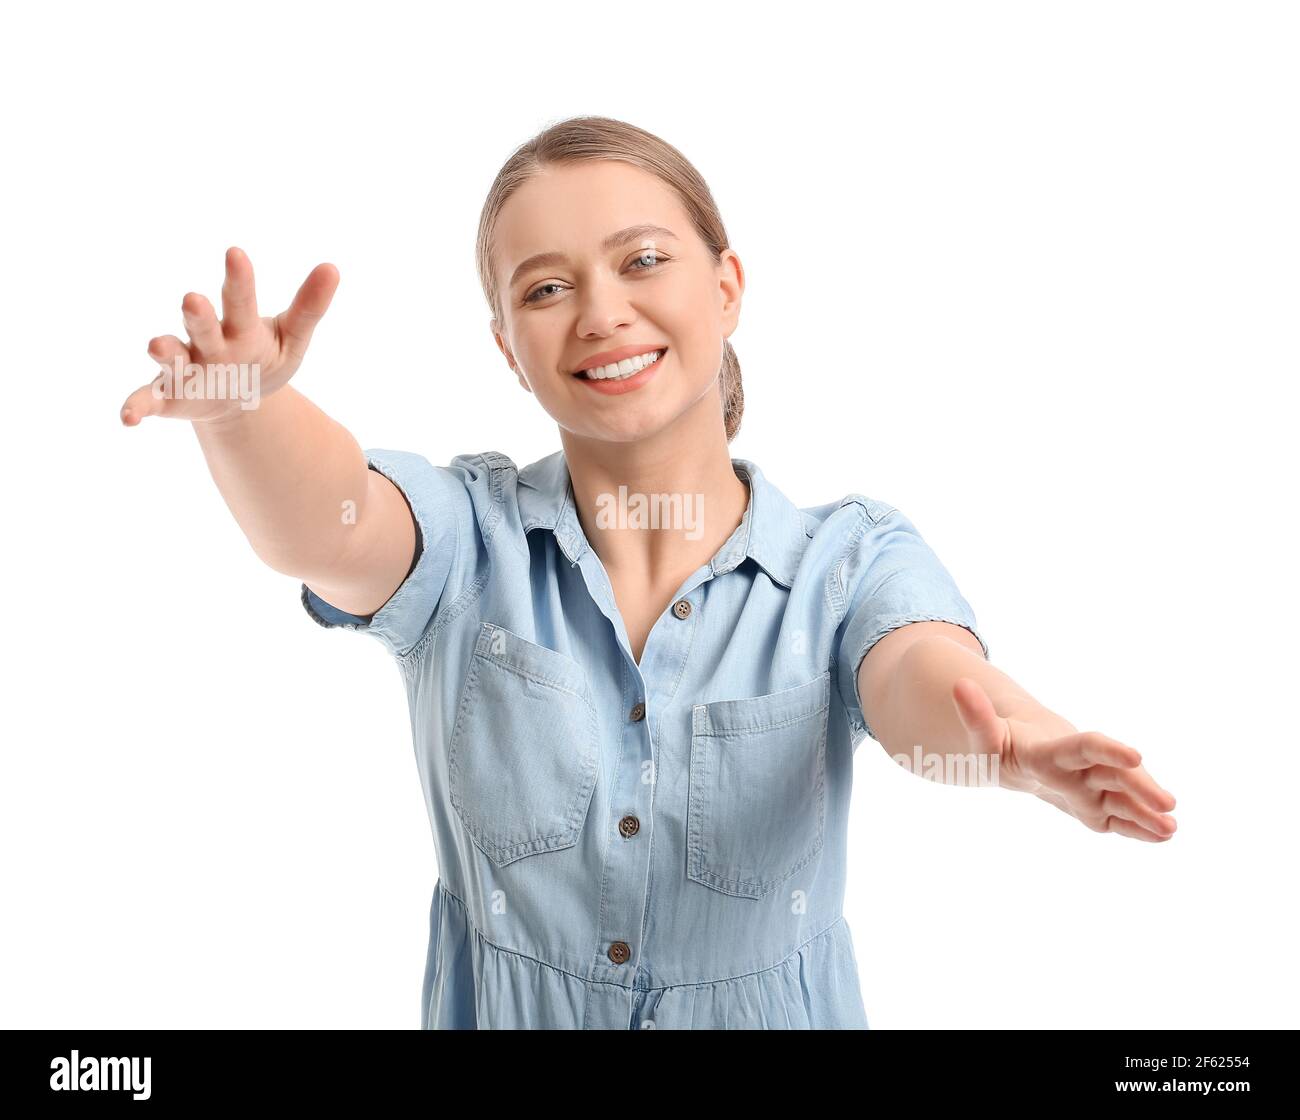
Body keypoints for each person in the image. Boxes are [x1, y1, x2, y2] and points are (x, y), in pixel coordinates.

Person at [120, 116, 1178, 1030]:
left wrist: (1015, 746)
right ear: (506, 347)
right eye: (545, 288)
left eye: (641, 261)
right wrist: (243, 411)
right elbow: (329, 522)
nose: (599, 311)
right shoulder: (467, 540)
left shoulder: (844, 561)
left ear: (726, 287)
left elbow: (917, 676)